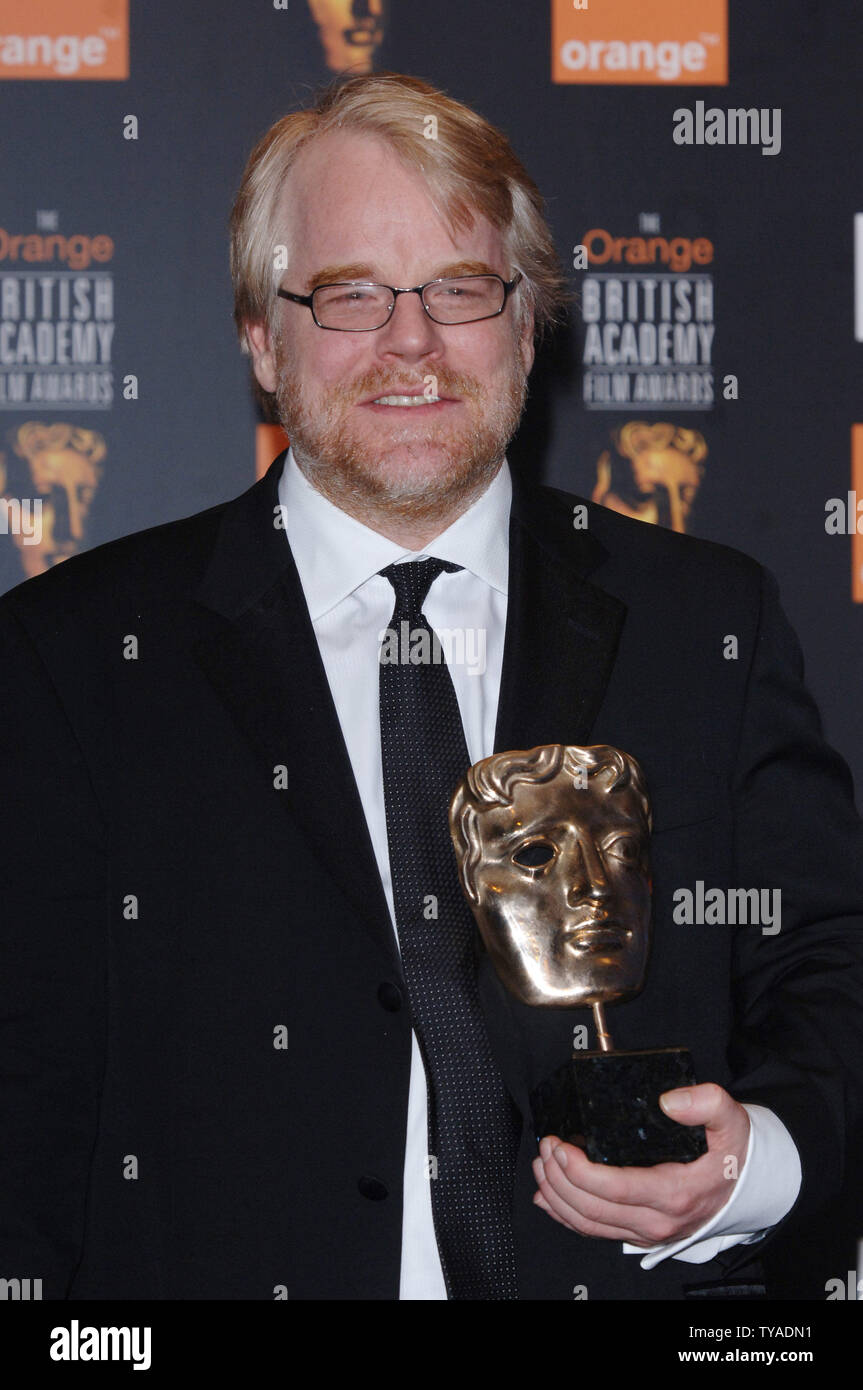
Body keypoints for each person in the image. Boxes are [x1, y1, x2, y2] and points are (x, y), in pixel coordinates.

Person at [1, 71, 862, 1302]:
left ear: (525, 324)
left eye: (458, 289)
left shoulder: (702, 622)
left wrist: (754, 1164)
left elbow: (824, 962)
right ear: (261, 334)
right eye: (349, 294)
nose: (409, 342)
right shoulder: (73, 658)